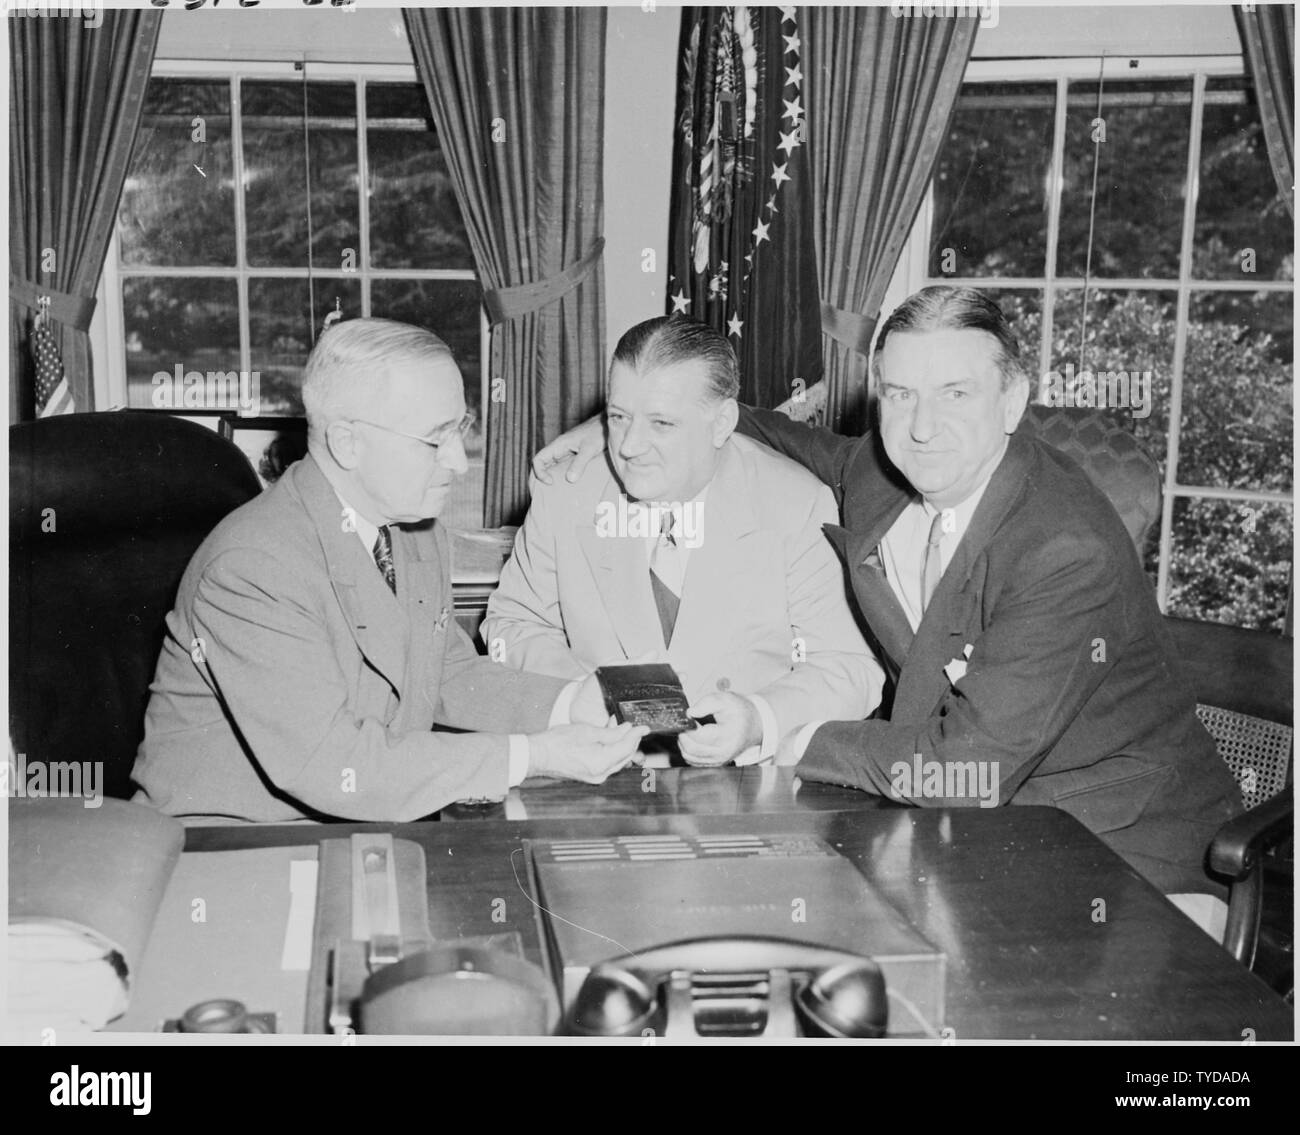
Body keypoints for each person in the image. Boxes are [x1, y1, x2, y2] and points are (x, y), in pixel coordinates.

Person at [533, 287, 1242, 913]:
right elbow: (773, 430)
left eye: (955, 393)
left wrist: (778, 730)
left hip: (1126, 856)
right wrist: (615, 433)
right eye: (899, 394)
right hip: (976, 830)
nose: (922, 425)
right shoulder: (882, 467)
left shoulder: (1065, 549)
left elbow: (964, 770)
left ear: (1014, 399)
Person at [132, 318, 644, 823]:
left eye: (460, 429)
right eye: (435, 439)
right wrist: (537, 755)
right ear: (347, 442)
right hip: (232, 850)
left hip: (359, 827)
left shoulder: (412, 531)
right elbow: (335, 765)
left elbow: (443, 674)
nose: (459, 463)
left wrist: (573, 703)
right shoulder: (252, 569)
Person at [482, 316, 883, 766]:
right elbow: (510, 625)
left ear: (722, 423)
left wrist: (758, 719)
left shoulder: (797, 503)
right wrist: (580, 697)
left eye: (661, 424)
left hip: (738, 792)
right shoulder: (566, 494)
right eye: (618, 417)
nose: (630, 445)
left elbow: (848, 666)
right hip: (589, 774)